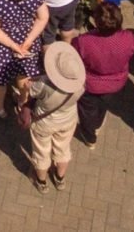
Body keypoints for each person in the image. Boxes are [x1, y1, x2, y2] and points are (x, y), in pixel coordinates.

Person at [71, 2, 134, 147]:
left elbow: (74, 57)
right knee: (104, 105)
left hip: (90, 85)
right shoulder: (129, 37)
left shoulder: (83, 41)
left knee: (87, 111)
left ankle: (90, 138)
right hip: (116, 83)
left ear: (97, 22)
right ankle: (98, 123)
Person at [23, 41, 86, 192]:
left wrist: (27, 85)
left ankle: (41, 182)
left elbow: (31, 91)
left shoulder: (44, 84)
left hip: (44, 122)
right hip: (68, 120)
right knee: (63, 148)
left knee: (41, 151)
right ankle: (60, 179)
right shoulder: (80, 84)